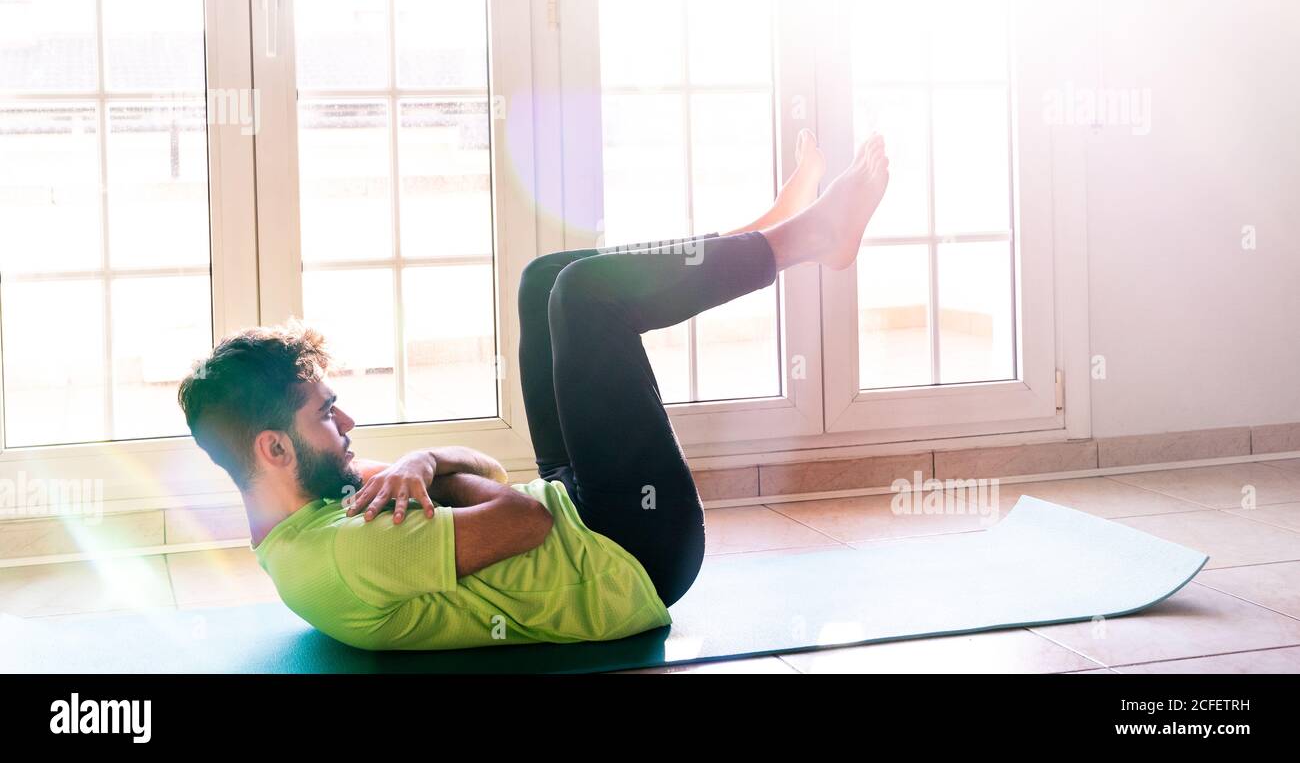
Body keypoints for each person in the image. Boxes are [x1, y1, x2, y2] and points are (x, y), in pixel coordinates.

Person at [177, 130, 888, 650]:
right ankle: (808, 235)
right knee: (584, 297)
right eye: (326, 414)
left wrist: (421, 465)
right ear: (274, 447)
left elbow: (482, 473)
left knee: (544, 281)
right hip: (633, 553)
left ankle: (768, 235)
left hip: (579, 509)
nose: (349, 422)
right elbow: (524, 521)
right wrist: (428, 474)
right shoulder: (344, 553)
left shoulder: (310, 502)